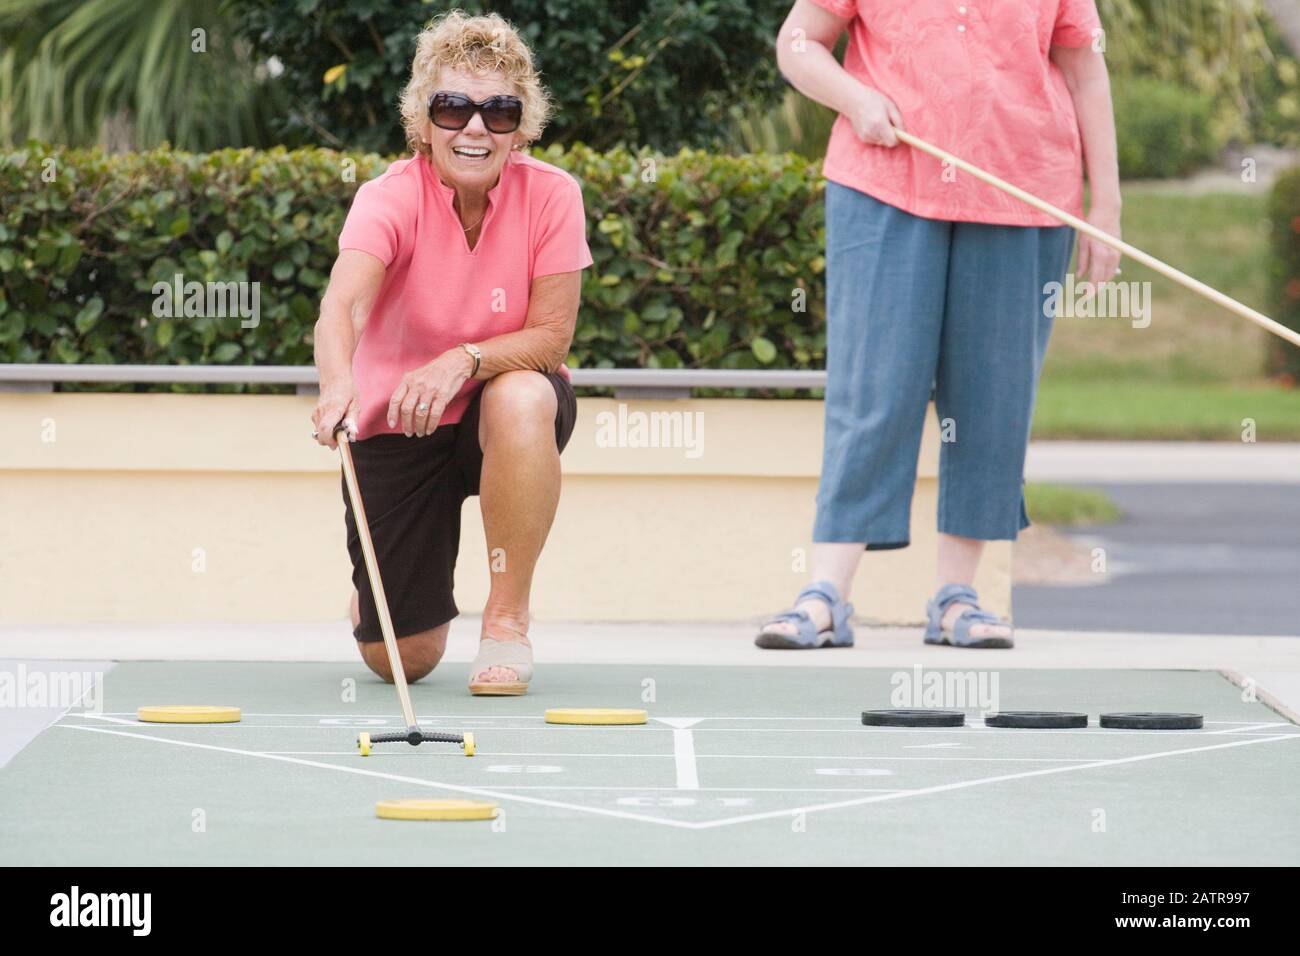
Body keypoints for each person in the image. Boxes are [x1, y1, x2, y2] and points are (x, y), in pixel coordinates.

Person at [757, 0, 1120, 649]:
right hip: (884, 186)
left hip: (1027, 194)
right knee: (874, 390)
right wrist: (856, 98)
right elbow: (798, 42)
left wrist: (1108, 211)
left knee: (993, 399)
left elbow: (1086, 72)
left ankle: (958, 599)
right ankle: (826, 595)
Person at [311, 10, 592, 693]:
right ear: (421, 121)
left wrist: (462, 359)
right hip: (399, 420)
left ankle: (506, 621)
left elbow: (552, 338)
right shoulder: (386, 198)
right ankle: (385, 604)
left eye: (499, 112)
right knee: (401, 660)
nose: (474, 128)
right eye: (453, 108)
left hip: (498, 407)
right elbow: (341, 306)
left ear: (522, 126)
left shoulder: (554, 194)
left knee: (524, 394)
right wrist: (336, 385)